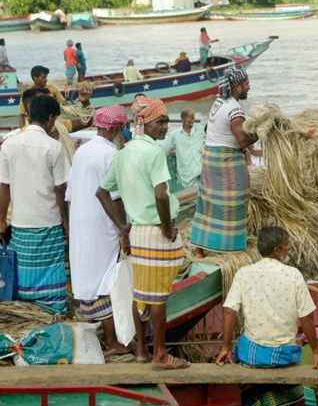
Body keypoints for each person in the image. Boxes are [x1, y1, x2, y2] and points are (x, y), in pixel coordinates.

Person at [97, 97, 188, 370]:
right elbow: (161, 194)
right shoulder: (154, 153)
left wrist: (124, 226)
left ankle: (141, 349)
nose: (165, 126)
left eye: (166, 120)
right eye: (161, 121)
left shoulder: (124, 152)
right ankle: (160, 355)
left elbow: (102, 192)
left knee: (142, 294)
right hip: (156, 230)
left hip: (137, 231)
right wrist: (168, 228)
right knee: (158, 295)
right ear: (145, 123)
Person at [216, 226, 318, 406]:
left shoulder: (243, 273)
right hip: (284, 355)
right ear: (277, 250)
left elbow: (229, 310)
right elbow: (306, 319)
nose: (289, 247)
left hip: (253, 355)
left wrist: (226, 347)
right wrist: (315, 352)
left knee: (250, 381)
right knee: (298, 394)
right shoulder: (293, 275)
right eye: (287, 244)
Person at [66, 105, 132, 354]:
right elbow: (114, 196)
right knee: (108, 279)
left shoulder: (83, 150)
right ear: (116, 128)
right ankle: (113, 341)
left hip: (82, 220)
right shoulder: (111, 154)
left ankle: (105, 334)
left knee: (90, 275)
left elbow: (71, 193)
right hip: (104, 223)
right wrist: (124, 229)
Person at [0, 95, 70, 315]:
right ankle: (52, 312)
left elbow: (4, 187)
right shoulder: (53, 147)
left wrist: (1, 220)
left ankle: (26, 311)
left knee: (22, 272)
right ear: (50, 118)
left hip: (21, 222)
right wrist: (66, 221)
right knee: (50, 271)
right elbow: (60, 189)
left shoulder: (9, 144)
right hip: (48, 222)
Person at [191, 66, 257, 255]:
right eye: (246, 84)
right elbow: (243, 140)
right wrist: (261, 133)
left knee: (208, 201)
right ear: (236, 87)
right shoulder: (234, 109)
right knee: (235, 200)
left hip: (210, 158)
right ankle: (230, 248)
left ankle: (199, 249)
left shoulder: (219, 101)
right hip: (227, 160)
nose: (249, 87)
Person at [160, 108, 205, 191]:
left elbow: (211, 139)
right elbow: (163, 150)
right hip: (187, 174)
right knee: (194, 199)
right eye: (191, 118)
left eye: (194, 117)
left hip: (201, 170)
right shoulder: (175, 135)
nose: (193, 120)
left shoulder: (200, 130)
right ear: (184, 120)